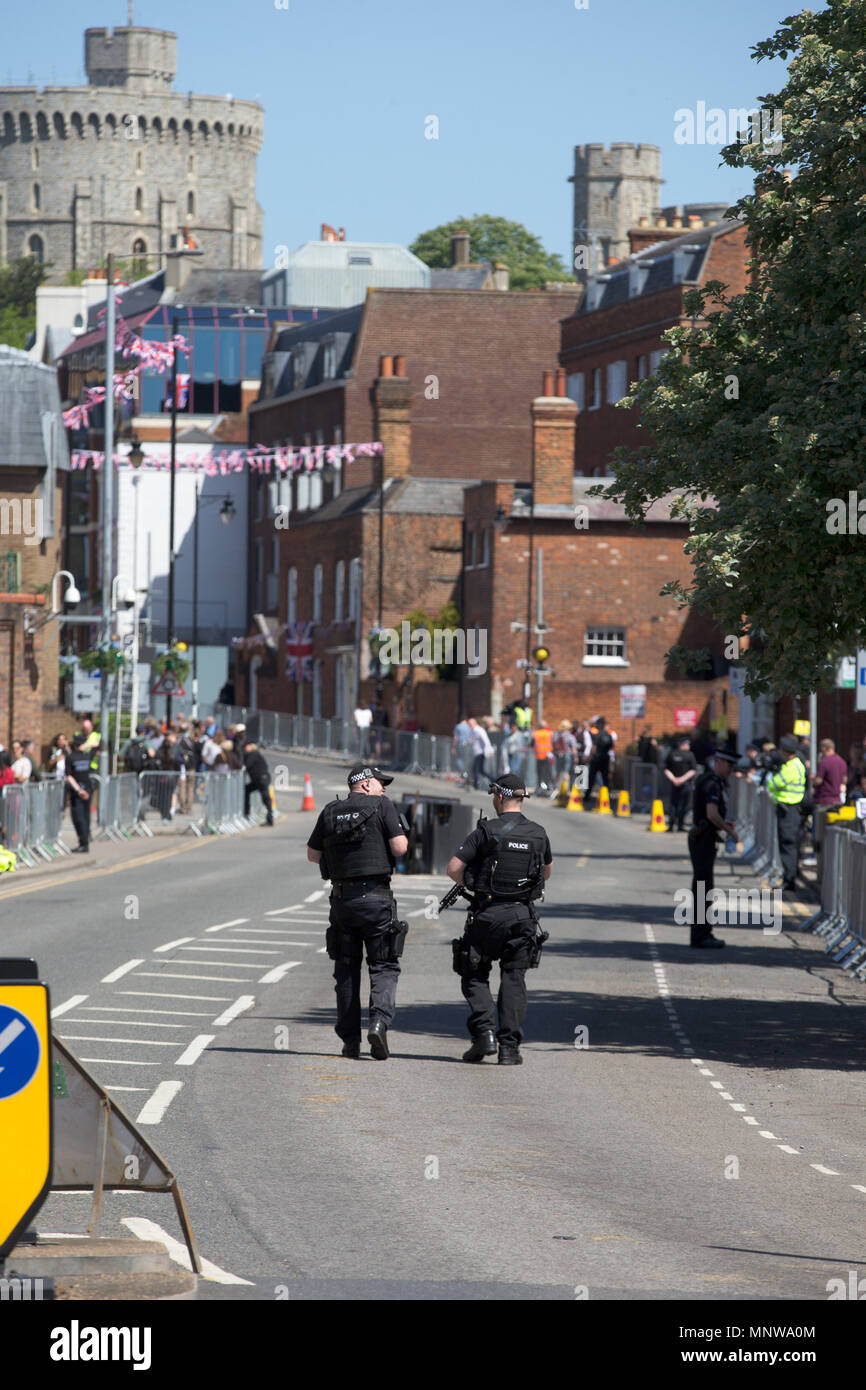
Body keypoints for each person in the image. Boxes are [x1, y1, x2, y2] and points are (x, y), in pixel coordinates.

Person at [446, 774, 553, 1066]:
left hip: (487, 915)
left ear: (500, 796)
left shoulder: (486, 831)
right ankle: (509, 1049)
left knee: (473, 972)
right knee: (514, 979)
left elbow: (454, 868)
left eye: (494, 794)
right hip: (522, 916)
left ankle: (484, 1034)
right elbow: (546, 871)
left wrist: (473, 882)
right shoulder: (538, 832)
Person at [306, 763, 408, 1061]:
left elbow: (313, 855)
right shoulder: (382, 805)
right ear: (364, 784)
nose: (384, 788)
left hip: (342, 902)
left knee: (346, 972)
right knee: (384, 966)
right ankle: (378, 1023)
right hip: (376, 899)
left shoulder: (330, 811)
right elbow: (400, 847)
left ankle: (350, 1043)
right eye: (380, 782)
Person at [686, 750, 738, 948]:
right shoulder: (712, 783)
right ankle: (701, 935)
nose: (731, 772)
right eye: (730, 767)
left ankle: (701, 933)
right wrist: (729, 831)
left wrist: (722, 826)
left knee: (703, 888)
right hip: (703, 839)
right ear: (720, 763)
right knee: (703, 889)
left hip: (703, 837)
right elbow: (711, 813)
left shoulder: (706, 779)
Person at [765, 734, 806, 891]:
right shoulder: (795, 764)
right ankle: (788, 877)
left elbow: (773, 784)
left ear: (785, 751)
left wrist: (772, 778)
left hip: (789, 809)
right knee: (788, 845)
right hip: (789, 809)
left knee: (787, 845)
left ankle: (789, 880)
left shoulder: (790, 767)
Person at [65, 732, 94, 853]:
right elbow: (98, 744)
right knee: (86, 817)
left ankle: (83, 843)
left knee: (78, 817)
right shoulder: (87, 756)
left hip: (78, 792)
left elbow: (69, 776)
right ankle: (85, 841)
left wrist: (78, 790)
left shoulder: (70, 757)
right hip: (87, 790)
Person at [664, 735, 697, 831]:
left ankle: (671, 825)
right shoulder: (690, 755)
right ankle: (680, 825)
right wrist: (682, 779)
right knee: (683, 805)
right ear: (684, 745)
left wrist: (674, 779)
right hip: (685, 783)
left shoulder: (672, 754)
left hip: (674, 783)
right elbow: (693, 770)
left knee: (673, 804)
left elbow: (666, 769)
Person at [243, 738, 273, 825]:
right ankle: (246, 812)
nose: (245, 748)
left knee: (266, 798)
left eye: (246, 746)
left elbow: (247, 765)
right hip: (258, 780)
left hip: (261, 779)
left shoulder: (254, 754)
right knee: (247, 790)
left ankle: (270, 818)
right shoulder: (253, 754)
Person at [585, 718, 613, 806]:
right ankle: (606, 797)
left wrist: (589, 757)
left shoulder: (597, 735)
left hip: (597, 758)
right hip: (605, 758)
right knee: (605, 779)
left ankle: (587, 796)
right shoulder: (608, 735)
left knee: (591, 778)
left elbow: (594, 747)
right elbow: (611, 746)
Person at [468, 715, 493, 790]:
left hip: (480, 753)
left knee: (476, 770)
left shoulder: (478, 730)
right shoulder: (474, 731)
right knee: (480, 770)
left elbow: (486, 740)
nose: (470, 726)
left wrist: (490, 750)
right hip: (477, 753)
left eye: (471, 724)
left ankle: (476, 785)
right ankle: (493, 780)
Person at [531, 720, 554, 794]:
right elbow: (553, 742)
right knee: (548, 772)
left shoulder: (535, 733)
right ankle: (548, 787)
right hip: (547, 756)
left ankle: (539, 787)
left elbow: (531, 744)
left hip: (539, 756)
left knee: (539, 773)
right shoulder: (550, 733)